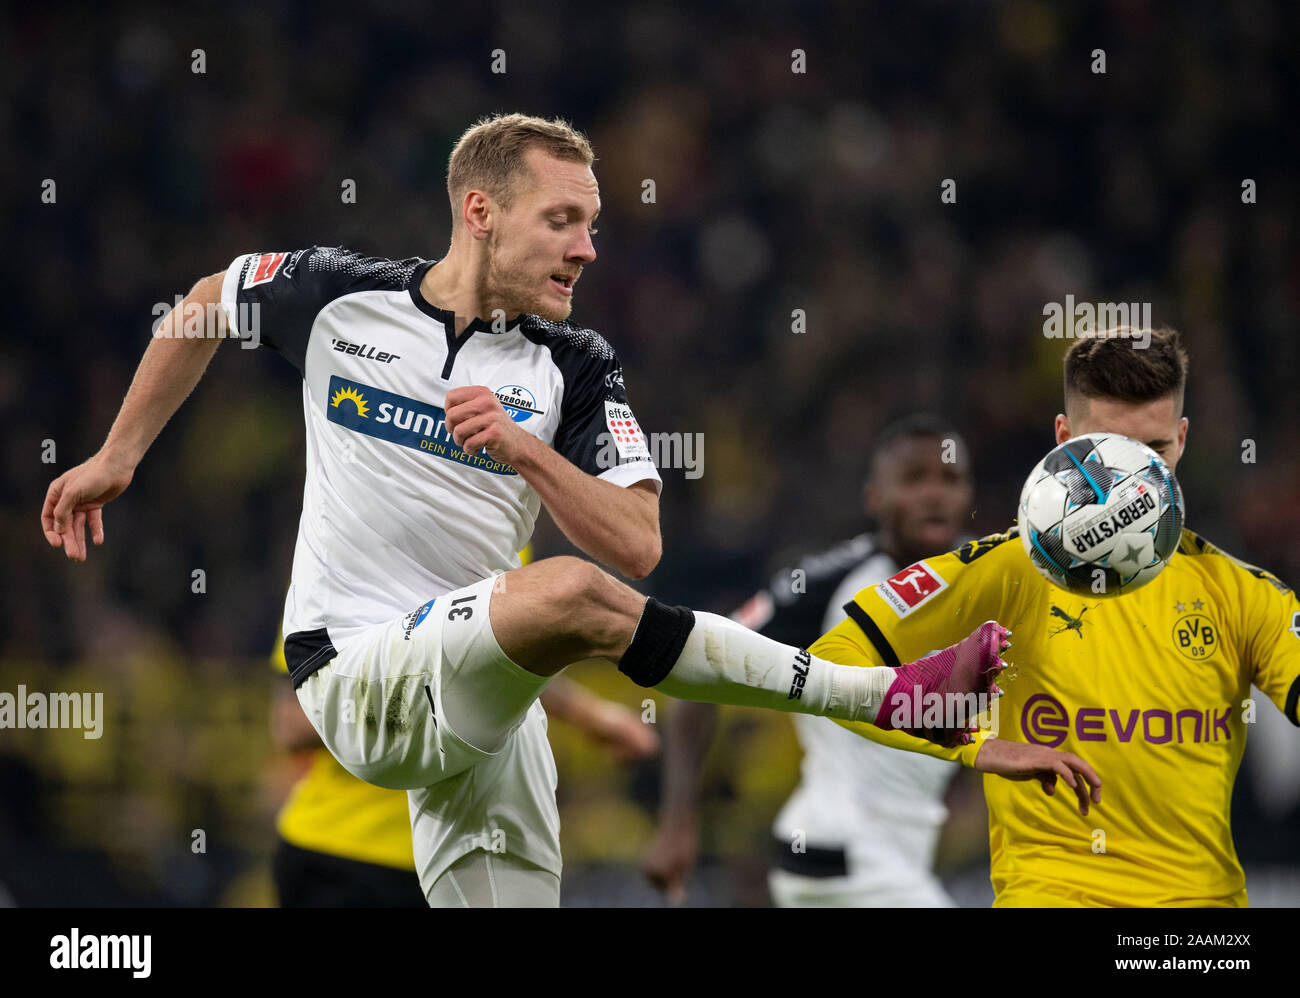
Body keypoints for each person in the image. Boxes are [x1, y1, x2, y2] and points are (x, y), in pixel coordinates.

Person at [41, 113, 1095, 907]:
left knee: (573, 595)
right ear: (479, 211)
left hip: (479, 704)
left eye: (593, 223)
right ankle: (888, 697)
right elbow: (208, 298)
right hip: (350, 672)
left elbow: (639, 540)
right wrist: (116, 453)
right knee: (567, 595)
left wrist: (528, 451)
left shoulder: (575, 366)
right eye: (564, 220)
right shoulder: (338, 299)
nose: (588, 247)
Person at [812, 327, 1300, 907]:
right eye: (1108, 458)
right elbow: (827, 669)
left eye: (1155, 455)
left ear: (1184, 440)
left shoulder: (1245, 595)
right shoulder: (1004, 571)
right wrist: (967, 742)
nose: (1129, 494)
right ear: (1063, 440)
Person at [644, 414, 978, 906]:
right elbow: (700, 665)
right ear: (874, 497)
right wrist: (677, 824)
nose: (934, 494)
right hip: (844, 857)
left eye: (950, 479)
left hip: (891, 858)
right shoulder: (827, 585)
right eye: (913, 479)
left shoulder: (982, 579)